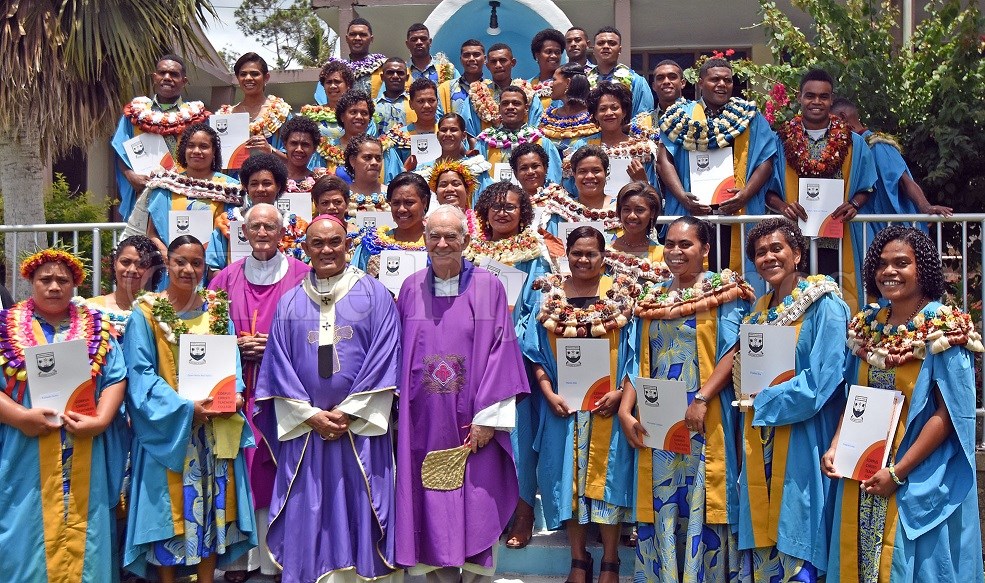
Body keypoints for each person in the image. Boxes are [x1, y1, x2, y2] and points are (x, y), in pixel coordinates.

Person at [822, 226, 984, 582]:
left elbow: (949, 414)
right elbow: (855, 396)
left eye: (901, 263)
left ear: (921, 268)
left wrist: (898, 473)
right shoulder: (868, 325)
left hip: (917, 471)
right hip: (864, 467)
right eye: (882, 264)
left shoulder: (944, 328)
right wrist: (836, 445)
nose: (889, 271)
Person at [254, 213, 402, 583]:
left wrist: (349, 412)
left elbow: (385, 357)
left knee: (361, 505)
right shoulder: (290, 303)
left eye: (335, 241)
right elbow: (277, 365)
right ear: (305, 248)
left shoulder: (375, 295)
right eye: (317, 243)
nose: (326, 250)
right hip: (308, 431)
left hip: (360, 429)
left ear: (348, 245)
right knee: (311, 508)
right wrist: (309, 415)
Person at [395, 204, 529, 582]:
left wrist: (489, 418)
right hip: (422, 422)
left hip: (474, 423)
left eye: (450, 236)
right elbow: (397, 351)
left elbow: (502, 352)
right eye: (434, 236)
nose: (442, 244)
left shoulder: (487, 287)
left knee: (476, 500)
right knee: (429, 504)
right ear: (424, 240)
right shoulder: (410, 288)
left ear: (466, 240)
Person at [618, 216, 755, 582]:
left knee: (703, 497)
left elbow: (733, 350)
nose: (675, 252)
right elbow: (636, 357)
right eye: (670, 244)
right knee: (661, 499)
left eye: (686, 244)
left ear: (705, 249)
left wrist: (703, 398)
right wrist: (626, 410)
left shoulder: (723, 292)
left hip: (703, 417)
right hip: (659, 420)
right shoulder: (653, 297)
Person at [123, 235, 256, 582]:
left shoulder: (216, 309)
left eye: (196, 263)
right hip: (169, 431)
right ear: (167, 264)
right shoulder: (146, 313)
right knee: (168, 512)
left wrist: (235, 393)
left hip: (212, 430)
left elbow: (231, 360)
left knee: (211, 507)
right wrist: (184, 409)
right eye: (180, 261)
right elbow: (141, 373)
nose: (188, 269)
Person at [0, 248, 127, 582]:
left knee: (88, 531)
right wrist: (19, 417)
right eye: (46, 279)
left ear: (75, 284)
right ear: (30, 282)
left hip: (85, 446)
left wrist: (101, 420)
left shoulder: (97, 326)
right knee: (23, 531)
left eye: (63, 280)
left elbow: (116, 378)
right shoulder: (4, 329)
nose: (54, 286)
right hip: (25, 450)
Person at [521, 226, 639, 583]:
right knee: (567, 481)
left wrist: (621, 393)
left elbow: (636, 351)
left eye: (591, 253)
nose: (583, 259)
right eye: (577, 253)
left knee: (608, 481)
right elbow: (535, 353)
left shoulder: (620, 296)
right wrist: (548, 392)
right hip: (564, 408)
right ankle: (578, 558)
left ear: (603, 257)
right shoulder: (550, 297)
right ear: (567, 255)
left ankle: (610, 561)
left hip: (607, 408)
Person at [735, 218, 849, 580]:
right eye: (760, 253)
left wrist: (763, 402)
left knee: (800, 523)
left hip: (805, 434)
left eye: (776, 248)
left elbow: (823, 380)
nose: (768, 257)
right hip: (762, 437)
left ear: (797, 253)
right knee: (764, 531)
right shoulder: (759, 311)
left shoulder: (824, 304)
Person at [209, 204, 309, 583]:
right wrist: (235, 345)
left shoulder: (302, 276)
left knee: (278, 470)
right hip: (237, 393)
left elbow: (316, 329)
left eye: (270, 226)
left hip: (283, 391)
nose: (263, 233)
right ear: (244, 233)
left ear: (283, 232)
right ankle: (239, 560)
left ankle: (277, 558)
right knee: (239, 468)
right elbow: (205, 333)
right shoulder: (225, 279)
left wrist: (275, 346)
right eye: (255, 227)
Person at [467, 180, 553, 550]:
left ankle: (523, 510)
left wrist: (508, 339)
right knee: (481, 437)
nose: (503, 212)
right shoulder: (470, 254)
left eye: (511, 206)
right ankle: (490, 510)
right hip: (474, 358)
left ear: (523, 213)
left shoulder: (534, 255)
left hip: (516, 356)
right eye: (496, 206)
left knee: (518, 437)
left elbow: (537, 306)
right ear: (485, 213)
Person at [658, 57, 778, 293]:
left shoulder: (748, 116)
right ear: (701, 83)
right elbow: (664, 160)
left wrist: (745, 195)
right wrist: (682, 197)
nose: (722, 84)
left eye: (727, 80)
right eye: (715, 79)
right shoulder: (680, 116)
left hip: (737, 212)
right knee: (694, 281)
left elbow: (766, 160)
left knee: (738, 278)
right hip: (693, 211)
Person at [767, 68, 877, 311]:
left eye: (823, 96)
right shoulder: (780, 141)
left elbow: (868, 186)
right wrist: (783, 207)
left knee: (837, 300)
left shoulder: (853, 142)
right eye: (810, 95)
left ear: (831, 99)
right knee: (794, 302)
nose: (816, 102)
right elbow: (768, 190)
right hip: (794, 238)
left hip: (838, 237)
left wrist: (854, 204)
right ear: (799, 97)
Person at [124, 122, 243, 271]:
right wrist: (167, 255)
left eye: (204, 146)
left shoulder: (230, 188)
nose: (196, 151)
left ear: (214, 152)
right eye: (191, 146)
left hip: (214, 269)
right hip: (173, 268)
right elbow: (152, 233)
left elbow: (234, 231)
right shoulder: (166, 185)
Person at [831, 97, 952, 234]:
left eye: (831, 121)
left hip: (889, 230)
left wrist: (925, 207)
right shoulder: (845, 149)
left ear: (842, 117)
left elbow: (904, 181)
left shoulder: (877, 145)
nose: (829, 128)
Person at [112, 54, 209, 219]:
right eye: (162, 73)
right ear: (154, 77)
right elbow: (120, 150)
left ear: (184, 81)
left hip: (185, 191)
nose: (167, 77)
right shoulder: (135, 114)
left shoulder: (196, 116)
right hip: (146, 192)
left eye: (174, 74)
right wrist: (130, 176)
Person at [564, 82, 657, 193]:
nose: (609, 113)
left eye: (614, 108)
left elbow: (653, 194)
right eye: (603, 109)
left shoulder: (642, 149)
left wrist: (642, 181)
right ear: (595, 115)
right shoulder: (581, 146)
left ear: (624, 112)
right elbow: (569, 188)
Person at [206, 152, 290, 274]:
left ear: (278, 187)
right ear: (246, 188)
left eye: (266, 183)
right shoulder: (227, 223)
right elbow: (213, 269)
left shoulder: (294, 226)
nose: (260, 189)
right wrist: (233, 281)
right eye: (254, 184)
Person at [475, 85, 562, 187]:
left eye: (516, 103)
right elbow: (478, 180)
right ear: (499, 108)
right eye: (505, 103)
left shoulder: (542, 142)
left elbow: (553, 179)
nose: (510, 107)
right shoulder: (485, 142)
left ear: (526, 109)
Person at [216, 52, 291, 166]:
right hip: (231, 177)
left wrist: (270, 150)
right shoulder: (225, 116)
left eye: (255, 74)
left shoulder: (281, 115)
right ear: (237, 78)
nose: (248, 78)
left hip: (270, 175)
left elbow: (294, 161)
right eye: (243, 74)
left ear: (266, 77)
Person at [351, 172, 429, 277]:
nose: (401, 209)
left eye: (409, 202)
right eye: (396, 203)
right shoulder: (372, 244)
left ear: (424, 202)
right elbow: (355, 281)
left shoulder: (438, 244)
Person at [86, 235, 165, 336]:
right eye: (125, 262)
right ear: (115, 263)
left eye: (142, 264)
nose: (132, 270)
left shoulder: (161, 311)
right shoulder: (91, 308)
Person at [542, 145, 621, 241]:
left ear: (606, 173)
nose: (589, 176)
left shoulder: (622, 210)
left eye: (596, 170)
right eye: (582, 171)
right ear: (574, 175)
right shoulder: (560, 212)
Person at [606, 182, 667, 283]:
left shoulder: (662, 254)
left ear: (652, 213)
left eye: (639, 210)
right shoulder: (606, 250)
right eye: (626, 209)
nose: (632, 216)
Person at [382, 78, 440, 183]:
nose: (427, 106)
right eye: (420, 101)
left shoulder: (447, 132)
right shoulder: (398, 137)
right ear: (411, 104)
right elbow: (392, 175)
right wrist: (405, 170)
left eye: (431, 100)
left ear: (437, 101)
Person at [314, 18, 385, 103]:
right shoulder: (332, 69)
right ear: (347, 38)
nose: (357, 38)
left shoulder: (382, 67)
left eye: (363, 35)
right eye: (353, 34)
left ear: (371, 39)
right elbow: (322, 99)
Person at [413, 113, 492, 189]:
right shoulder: (423, 171)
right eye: (443, 130)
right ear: (437, 135)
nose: (448, 134)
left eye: (453, 130)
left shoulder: (475, 168)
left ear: (464, 135)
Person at [587, 27, 653, 118]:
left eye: (612, 43)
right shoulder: (584, 81)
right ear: (594, 50)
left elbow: (644, 117)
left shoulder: (637, 81)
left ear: (620, 49)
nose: (606, 46)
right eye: (601, 43)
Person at [301, 61, 356, 158]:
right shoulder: (311, 114)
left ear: (348, 85)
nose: (332, 86)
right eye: (328, 82)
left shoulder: (358, 115)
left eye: (337, 82)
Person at [539, 63, 599, 152]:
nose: (550, 85)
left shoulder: (594, 117)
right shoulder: (549, 117)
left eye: (554, 80)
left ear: (568, 82)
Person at [436, 39, 488, 137]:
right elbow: (438, 119)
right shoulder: (445, 89)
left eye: (476, 54)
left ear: (485, 59)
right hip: (453, 143)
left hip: (485, 143)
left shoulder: (492, 89)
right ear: (461, 59)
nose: (471, 58)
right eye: (466, 55)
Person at [629, 59, 685, 141]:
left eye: (672, 77)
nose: (666, 81)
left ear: (682, 83)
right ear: (654, 86)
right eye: (660, 78)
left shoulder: (696, 113)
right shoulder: (642, 124)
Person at [509, 142, 567, 209]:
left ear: (545, 168)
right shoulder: (511, 205)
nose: (530, 172)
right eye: (524, 168)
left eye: (535, 166)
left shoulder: (563, 201)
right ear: (516, 174)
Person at [428, 158, 480, 232]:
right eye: (443, 185)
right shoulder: (428, 225)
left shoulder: (483, 224)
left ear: (467, 191)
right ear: (436, 193)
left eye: (456, 184)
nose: (449, 189)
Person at [344, 134, 389, 217]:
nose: (374, 163)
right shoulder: (342, 196)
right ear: (352, 161)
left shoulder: (392, 195)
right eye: (367, 157)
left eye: (378, 158)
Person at [280, 116, 328, 191]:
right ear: (285, 145)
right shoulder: (274, 180)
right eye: (294, 143)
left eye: (305, 144)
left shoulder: (320, 184)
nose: (299, 149)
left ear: (314, 148)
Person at [375, 57, 416, 137]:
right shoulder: (373, 106)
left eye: (400, 73)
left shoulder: (414, 104)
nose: (395, 76)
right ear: (382, 77)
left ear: (407, 77)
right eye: (390, 72)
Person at [529, 28, 566, 113]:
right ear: (537, 55)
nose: (554, 56)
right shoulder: (527, 85)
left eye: (557, 52)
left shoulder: (567, 84)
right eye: (548, 52)